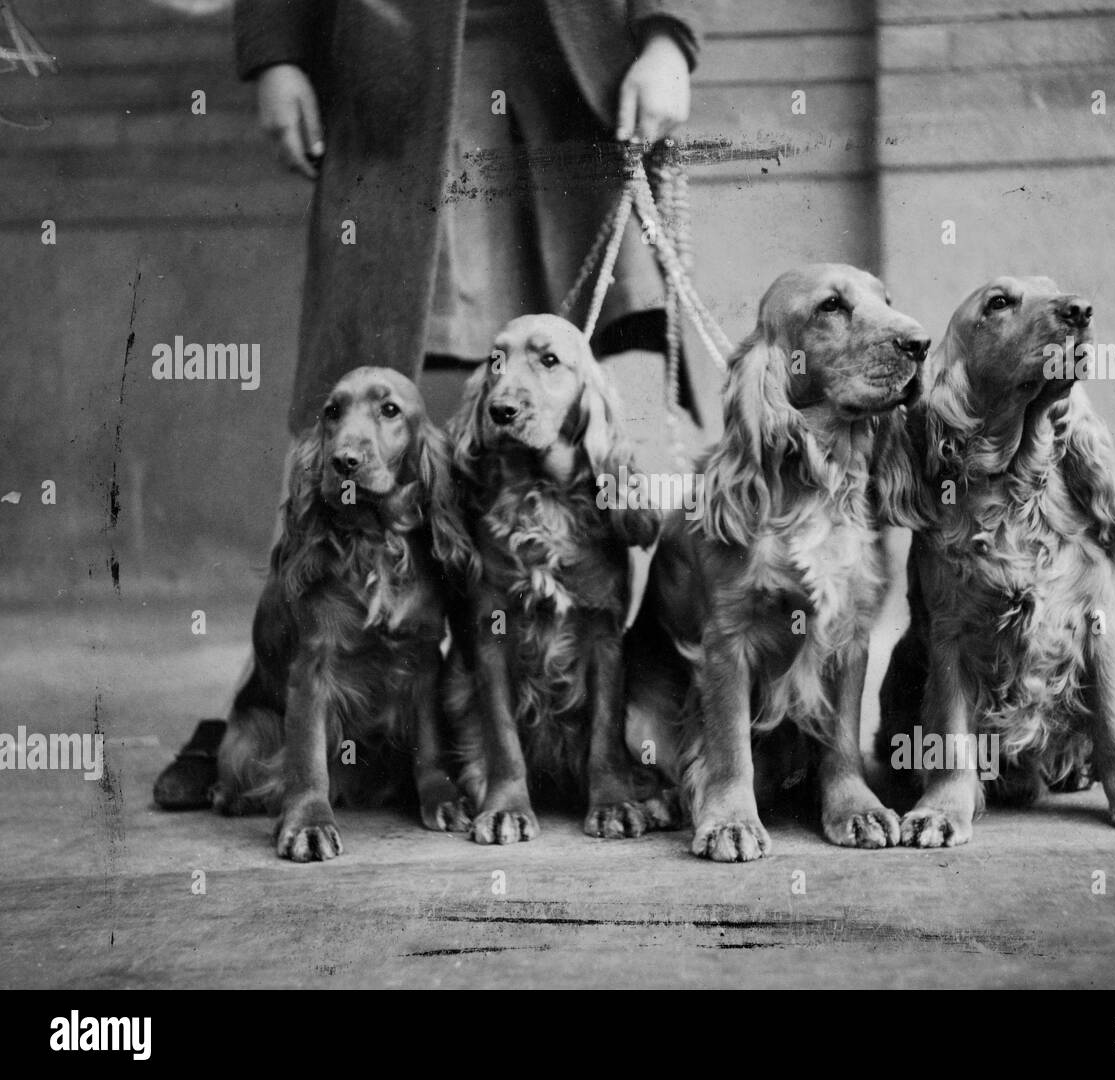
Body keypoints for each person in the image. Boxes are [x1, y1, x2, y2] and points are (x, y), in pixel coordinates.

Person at [154, 0, 717, 809]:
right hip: (389, 65)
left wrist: (669, 34)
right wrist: (276, 52)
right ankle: (269, 720)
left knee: (591, 388)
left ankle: (611, 742)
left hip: (573, 67)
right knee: (360, 415)